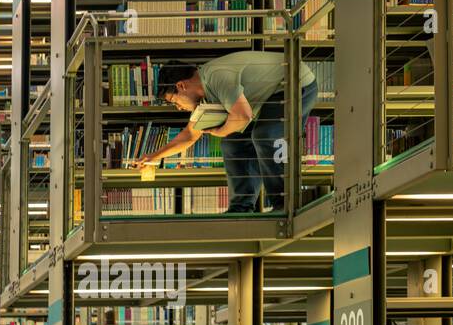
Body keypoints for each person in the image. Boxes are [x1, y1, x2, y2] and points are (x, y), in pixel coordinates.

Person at [131, 51, 318, 214]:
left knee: (267, 135)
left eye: (174, 101)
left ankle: (285, 202)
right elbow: (190, 135)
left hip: (295, 83)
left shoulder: (216, 77)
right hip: (267, 97)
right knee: (232, 143)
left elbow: (243, 116)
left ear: (181, 86)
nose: (178, 108)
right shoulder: (204, 97)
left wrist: (221, 131)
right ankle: (241, 207)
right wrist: (154, 157)